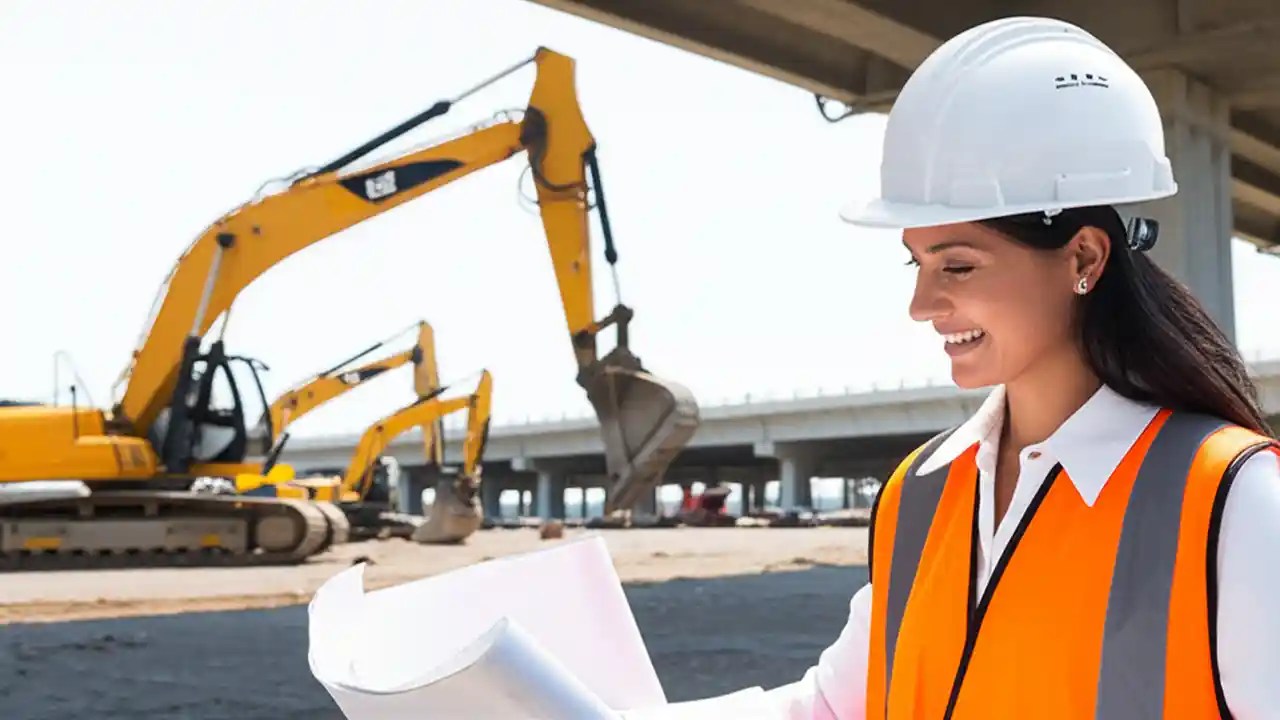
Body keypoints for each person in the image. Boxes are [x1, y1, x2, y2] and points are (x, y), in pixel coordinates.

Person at [629, 15, 1280, 720]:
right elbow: (831, 707)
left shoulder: (1231, 501)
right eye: (917, 262)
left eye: (958, 265)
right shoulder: (921, 493)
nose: (920, 303)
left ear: (1085, 259)